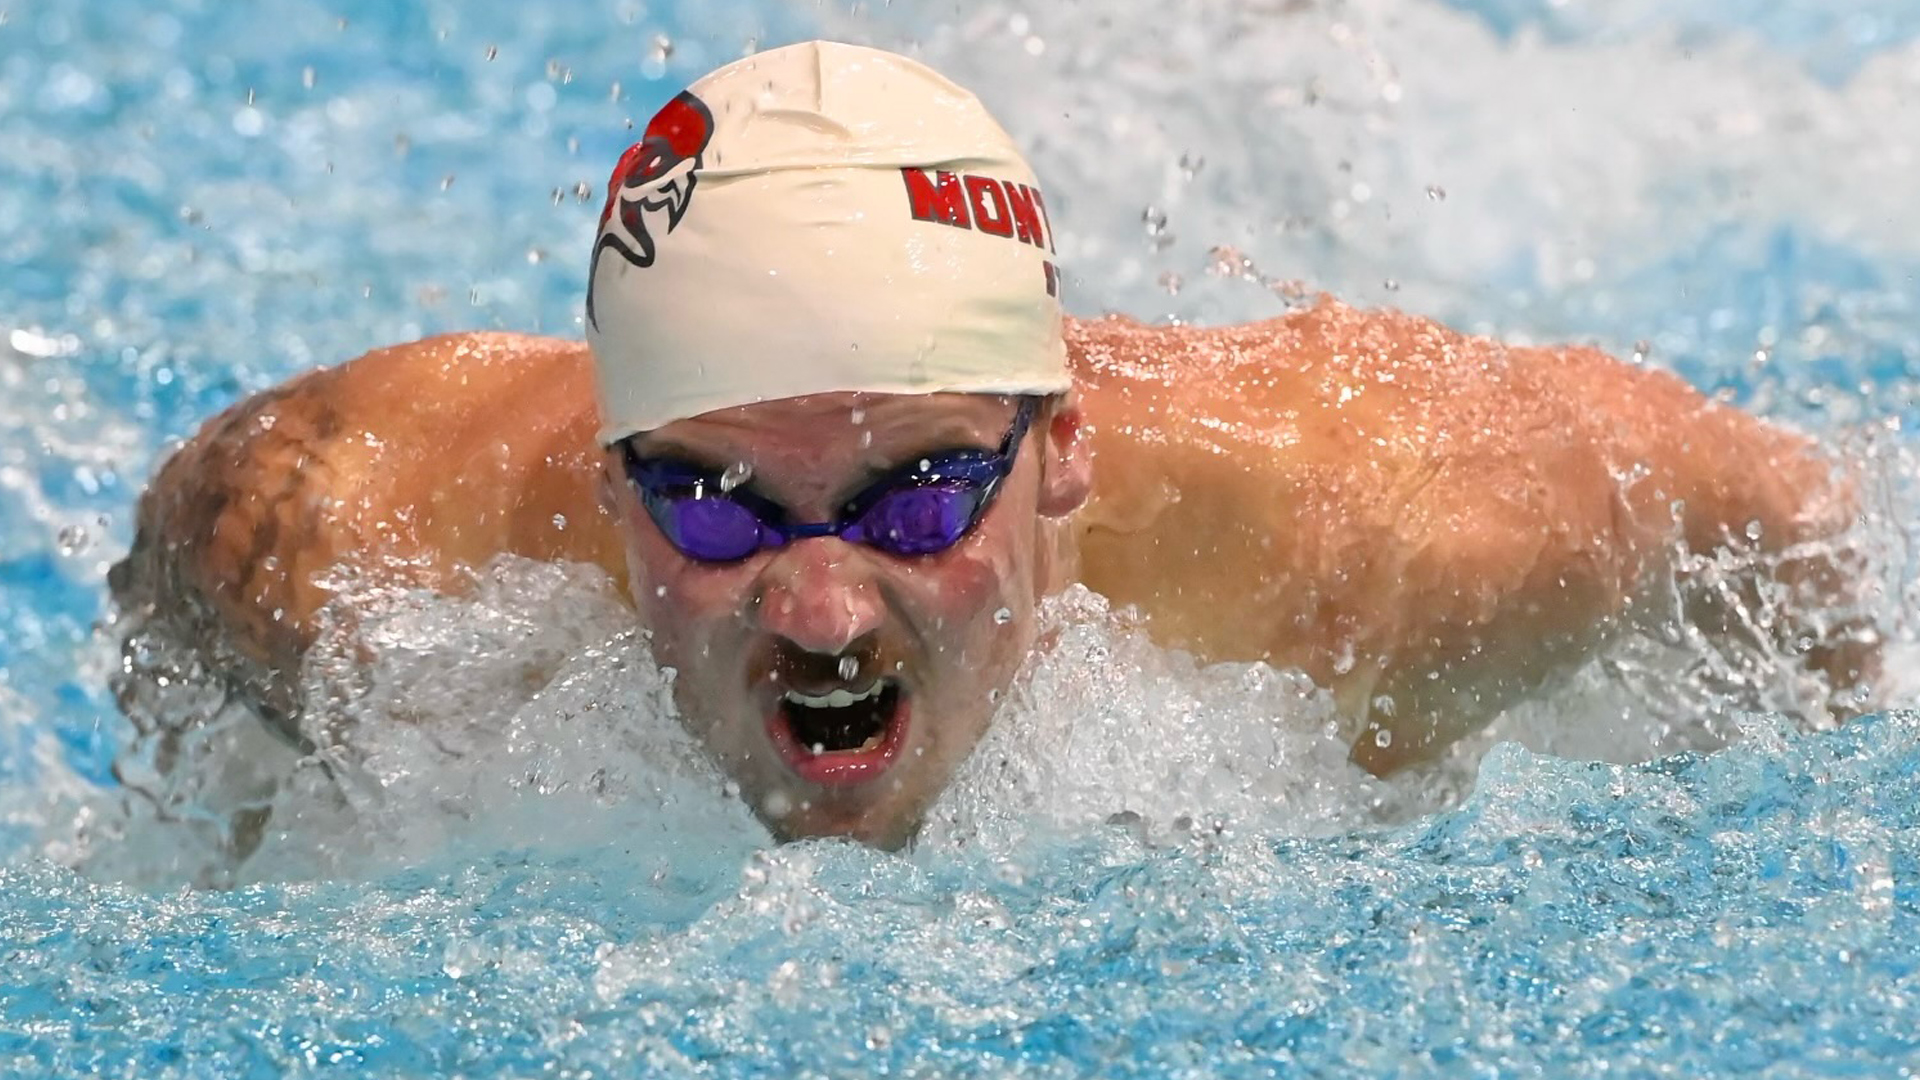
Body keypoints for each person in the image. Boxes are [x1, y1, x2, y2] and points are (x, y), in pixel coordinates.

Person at [111, 41, 1871, 849]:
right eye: (714, 509)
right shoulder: (361, 539)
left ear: (1069, 451)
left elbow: (1784, 521)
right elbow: (175, 593)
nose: (818, 612)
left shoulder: (1388, 541)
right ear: (608, 483)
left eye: (920, 493)